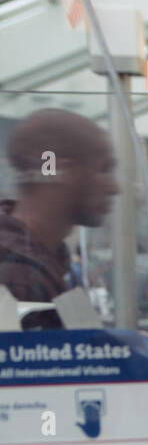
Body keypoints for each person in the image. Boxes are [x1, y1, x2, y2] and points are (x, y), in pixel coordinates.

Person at [0, 109, 118, 303]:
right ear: (66, 172)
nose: (114, 188)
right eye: (104, 170)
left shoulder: (43, 260)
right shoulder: (20, 276)